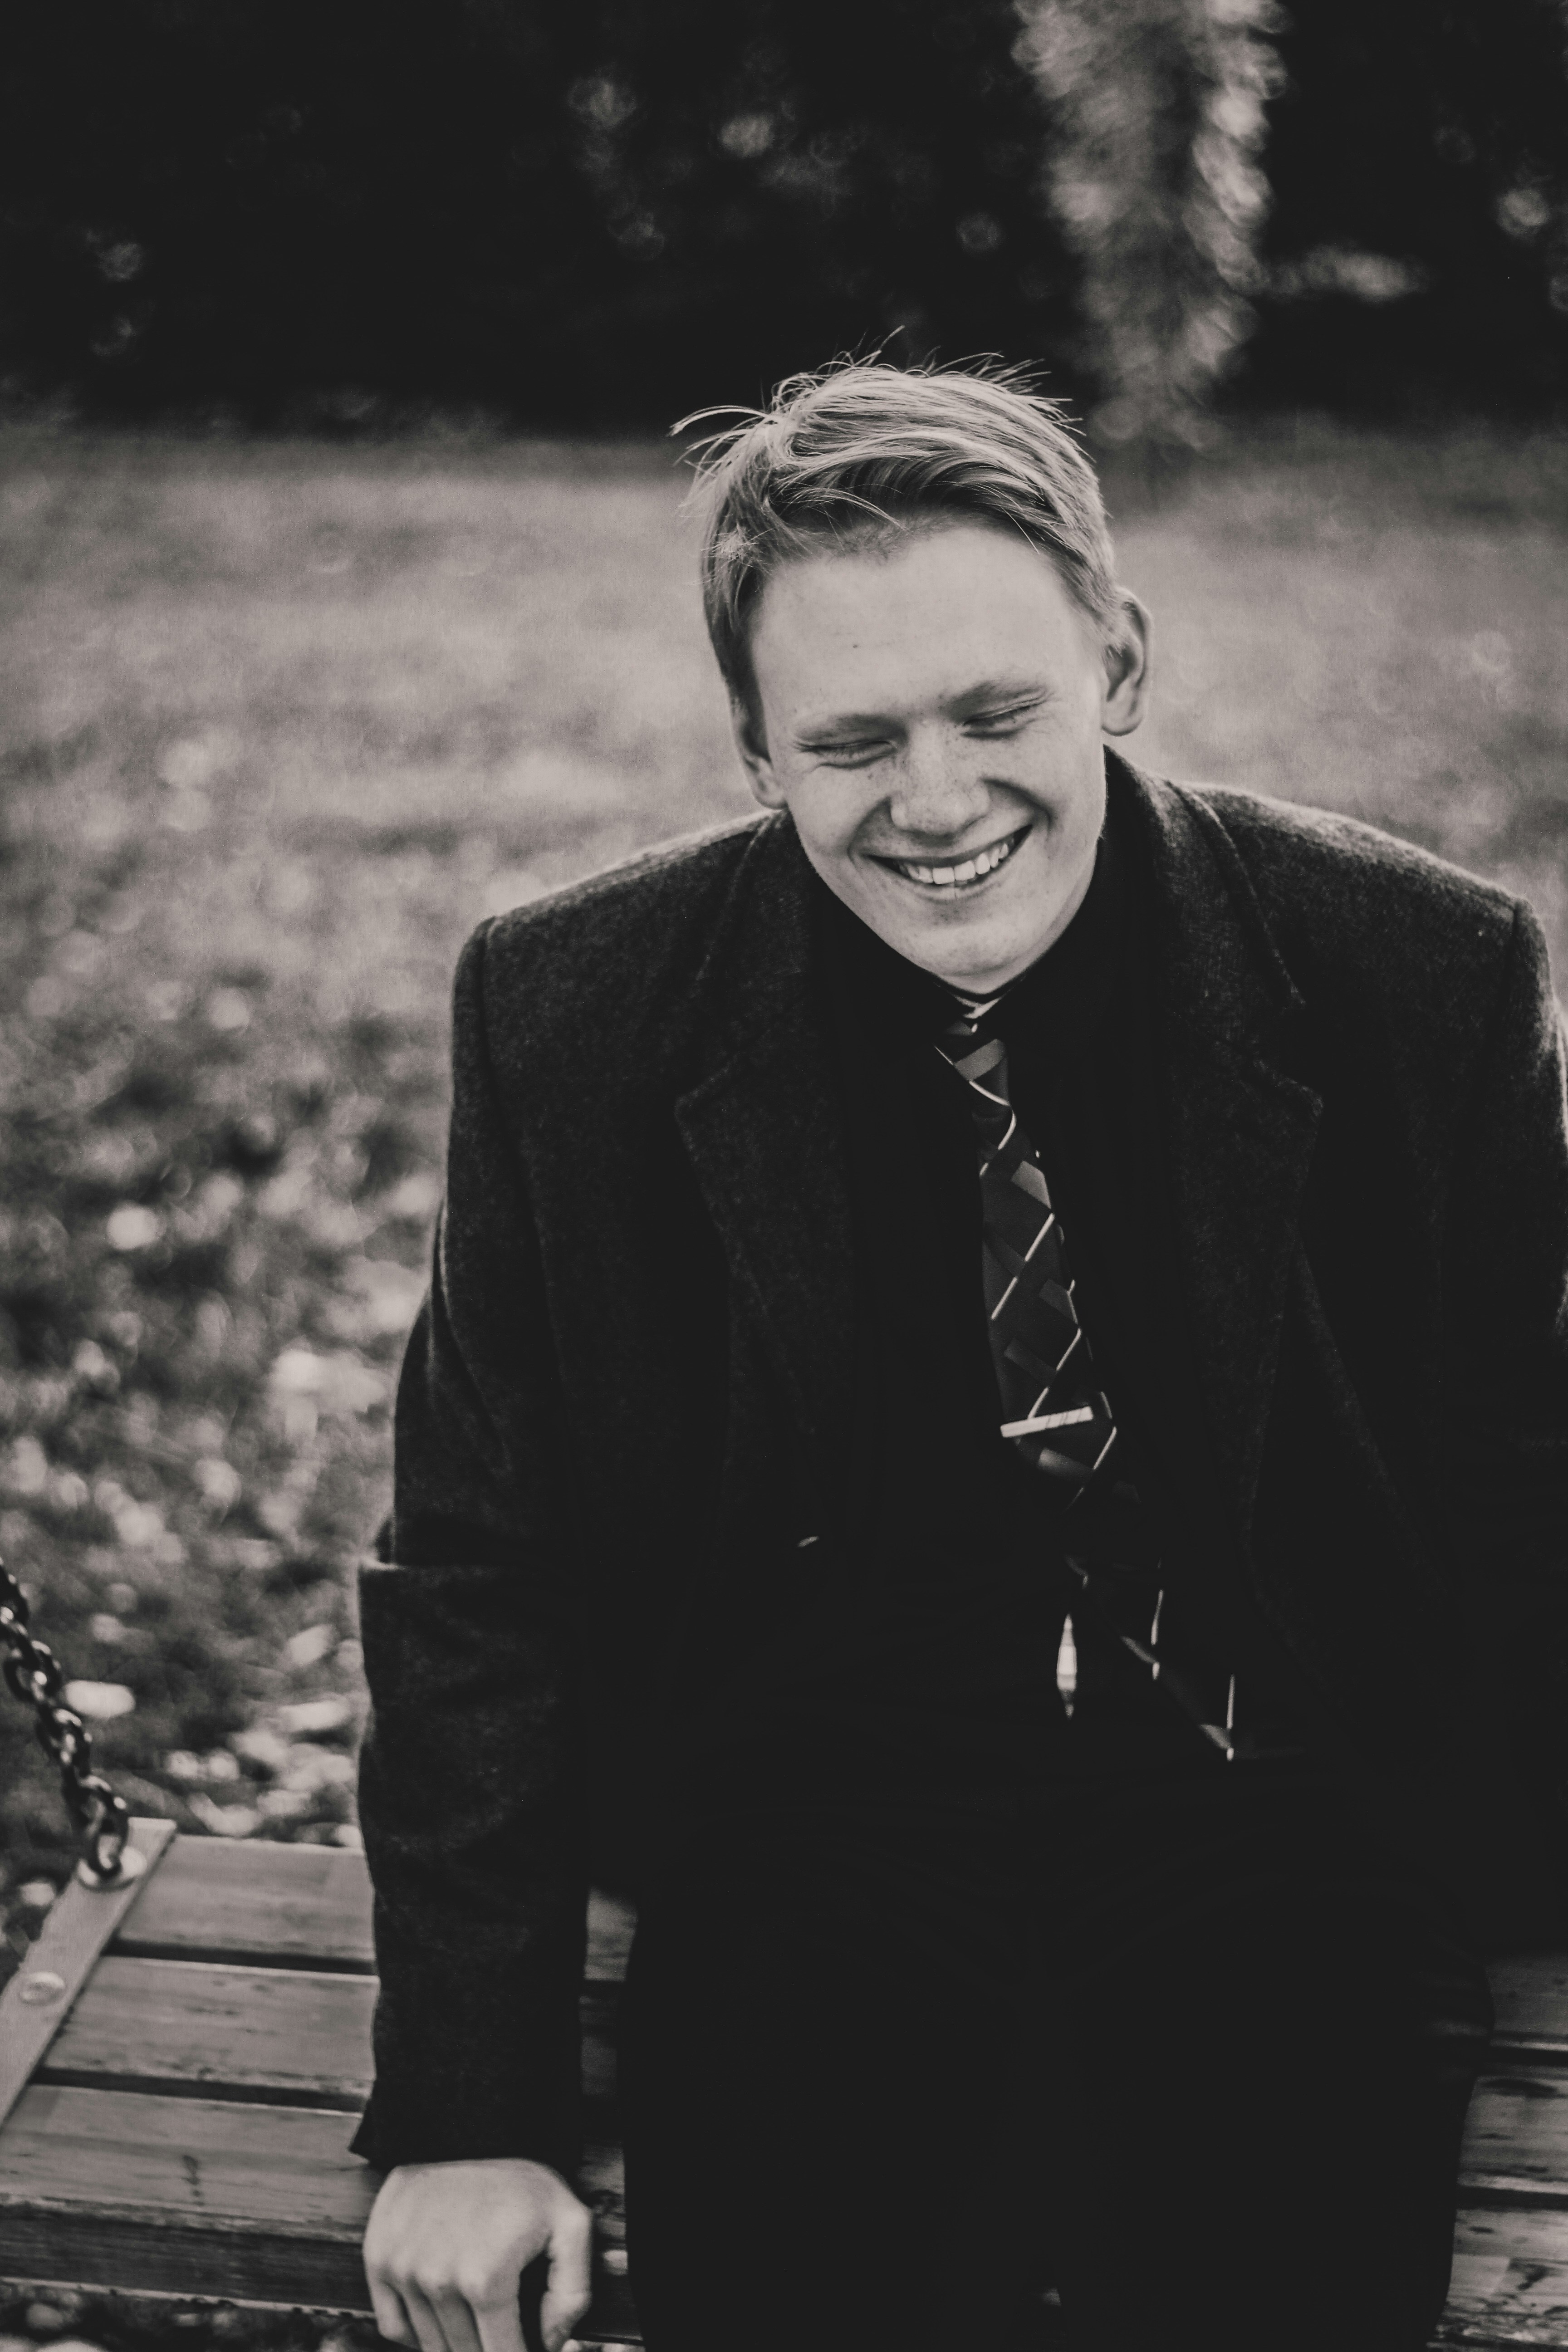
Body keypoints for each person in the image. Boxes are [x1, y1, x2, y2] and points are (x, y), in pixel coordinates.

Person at [352, 361, 1568, 2352]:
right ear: (755, 753)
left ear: (1122, 662)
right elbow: (482, 1555)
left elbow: (1531, 1476)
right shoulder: (573, 1012)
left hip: (1284, 1816)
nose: (935, 803)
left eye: (997, 714)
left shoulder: (1414, 975)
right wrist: (467, 2109)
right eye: (849, 742)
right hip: (802, 1837)